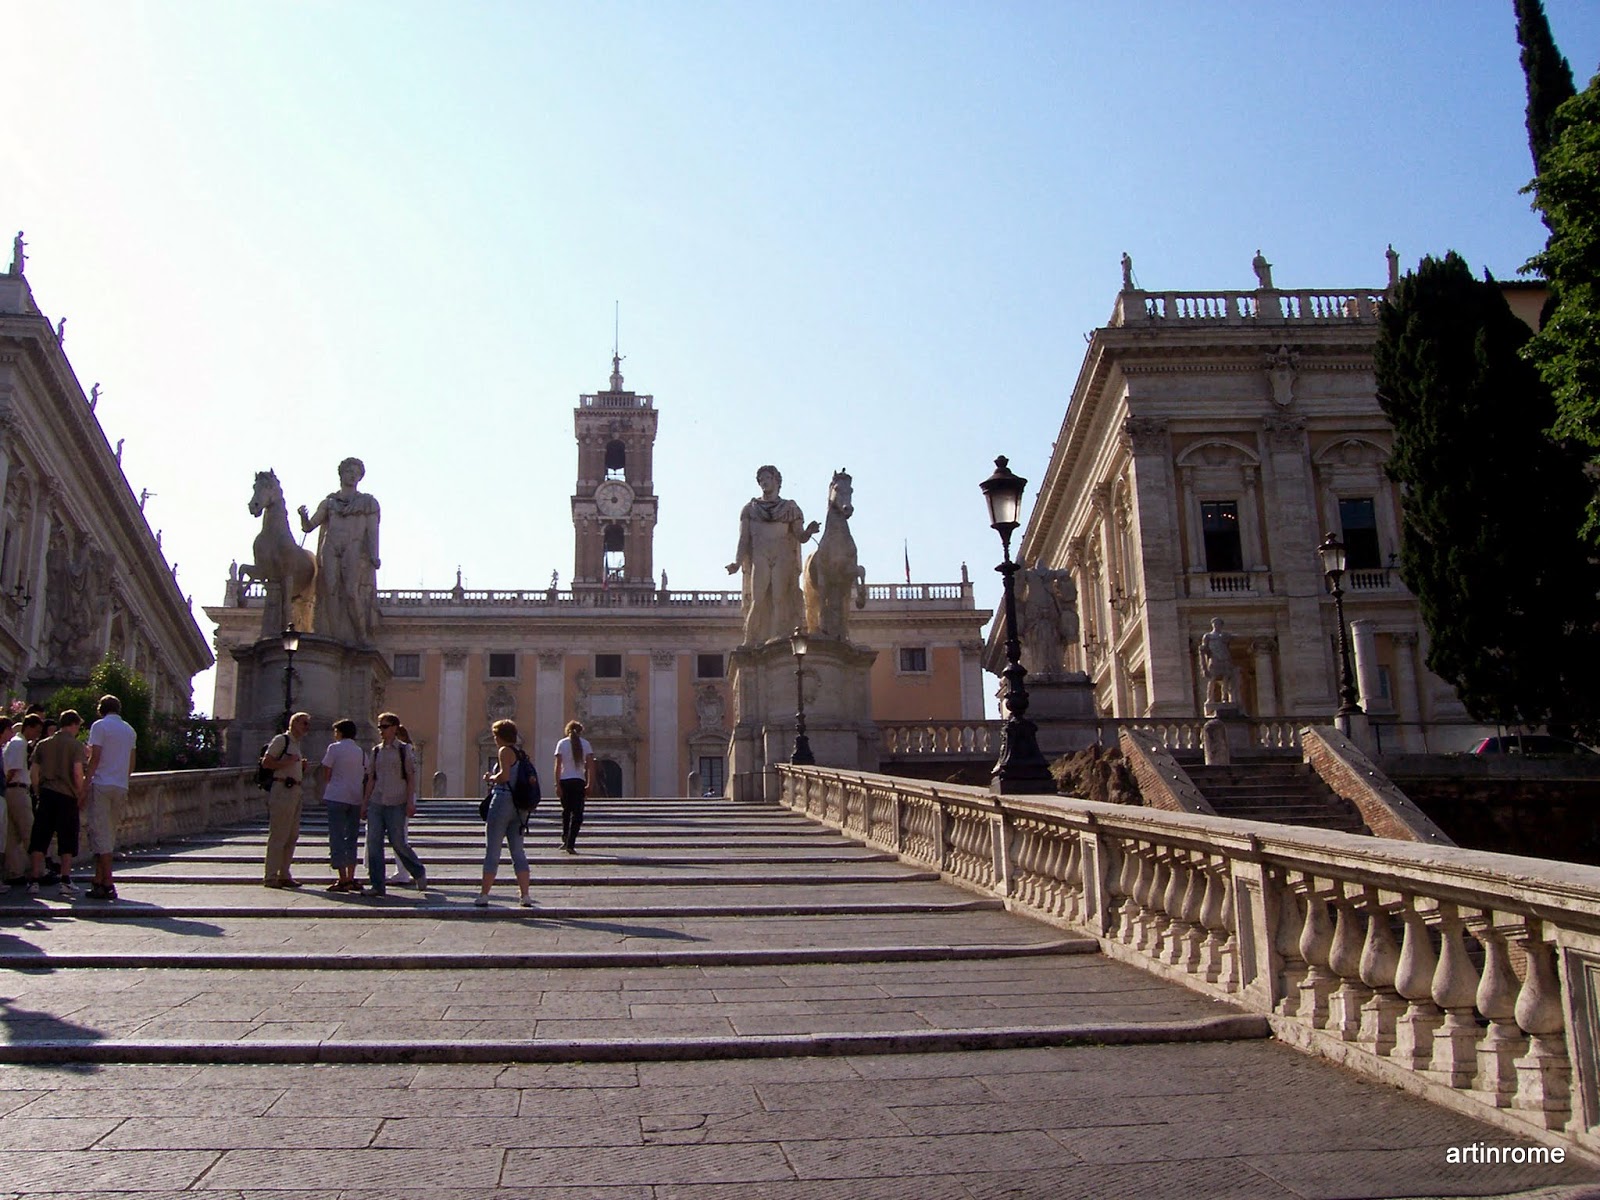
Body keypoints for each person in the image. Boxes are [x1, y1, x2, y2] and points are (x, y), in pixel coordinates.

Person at [726, 465, 819, 646]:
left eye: (767, 478)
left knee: (779, 598)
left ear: (777, 481)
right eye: (760, 480)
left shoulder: (790, 507)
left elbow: (799, 536)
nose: (763, 482)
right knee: (758, 599)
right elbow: (744, 539)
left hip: (782, 556)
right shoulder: (750, 509)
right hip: (760, 557)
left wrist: (809, 531)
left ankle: (778, 639)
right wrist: (737, 563)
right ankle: (750, 640)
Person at [299, 457, 381, 646]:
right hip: (330, 547)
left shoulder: (368, 503)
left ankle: (361, 635)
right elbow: (309, 526)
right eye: (349, 472)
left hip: (353, 546)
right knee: (329, 591)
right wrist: (303, 517)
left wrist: (374, 554)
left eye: (356, 473)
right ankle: (332, 637)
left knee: (352, 591)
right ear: (341, 474)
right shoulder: (329, 502)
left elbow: (372, 531)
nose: (352, 476)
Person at [363, 712, 424, 895]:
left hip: (397, 801)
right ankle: (377, 884)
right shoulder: (376, 751)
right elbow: (371, 778)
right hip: (377, 801)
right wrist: (365, 802)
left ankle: (418, 871)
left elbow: (411, 777)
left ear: (395, 728)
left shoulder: (404, 750)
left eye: (385, 726)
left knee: (398, 842)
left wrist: (410, 802)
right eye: (380, 726)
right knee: (373, 842)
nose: (381, 730)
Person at [29, 710, 87, 898]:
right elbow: (78, 773)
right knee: (67, 838)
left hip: (46, 793)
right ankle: (65, 879)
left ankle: (35, 879)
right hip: (66, 795)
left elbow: (34, 773)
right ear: (73, 724)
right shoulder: (75, 745)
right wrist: (80, 793)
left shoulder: (43, 745)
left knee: (40, 837)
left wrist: (38, 792)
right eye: (78, 726)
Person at [85, 695, 137, 901]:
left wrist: (84, 785)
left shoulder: (99, 726)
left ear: (101, 709)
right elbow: (131, 764)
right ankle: (99, 880)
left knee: (99, 833)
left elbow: (95, 758)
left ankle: (108, 882)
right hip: (120, 785)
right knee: (109, 834)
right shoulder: (130, 730)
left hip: (102, 784)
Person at [477, 719, 532, 908]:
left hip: (502, 802)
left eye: (495, 736)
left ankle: (484, 894)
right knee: (518, 851)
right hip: (519, 807)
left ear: (500, 736)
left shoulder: (503, 751)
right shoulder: (521, 754)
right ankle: (525, 895)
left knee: (492, 849)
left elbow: (504, 777)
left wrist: (490, 778)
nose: (494, 739)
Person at [261, 711, 310, 888]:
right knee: (279, 835)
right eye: (304, 723)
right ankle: (271, 876)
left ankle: (284, 873)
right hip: (282, 789)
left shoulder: (296, 744)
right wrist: (288, 763)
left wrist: (300, 766)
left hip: (295, 790)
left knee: (292, 835)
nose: (307, 727)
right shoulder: (282, 740)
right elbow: (266, 762)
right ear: (294, 723)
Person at [318, 718, 368, 892]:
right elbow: (366, 772)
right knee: (352, 838)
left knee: (337, 837)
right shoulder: (360, 752)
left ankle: (343, 878)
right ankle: (352, 875)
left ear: (340, 733)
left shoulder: (334, 748)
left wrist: (330, 785)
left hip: (337, 796)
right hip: (355, 797)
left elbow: (327, 771)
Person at [553, 719, 596, 855]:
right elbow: (590, 766)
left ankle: (565, 839)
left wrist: (557, 784)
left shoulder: (561, 743)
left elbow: (558, 766)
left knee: (566, 811)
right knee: (577, 814)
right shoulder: (586, 744)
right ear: (581, 731)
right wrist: (590, 784)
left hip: (565, 781)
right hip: (578, 781)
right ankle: (571, 842)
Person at [2, 715, 35, 884]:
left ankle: (15, 871)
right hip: (17, 790)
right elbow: (13, 769)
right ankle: (38, 870)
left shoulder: (15, 743)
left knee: (12, 836)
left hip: (11, 790)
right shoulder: (18, 743)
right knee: (29, 830)